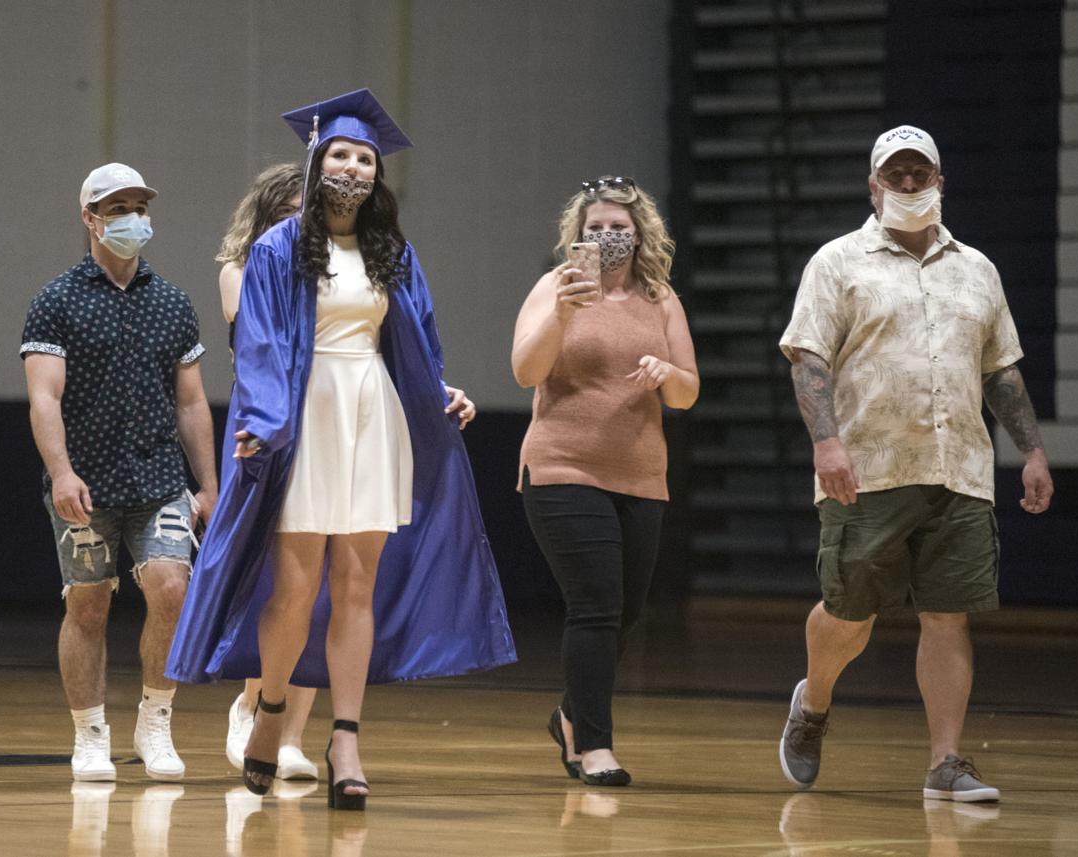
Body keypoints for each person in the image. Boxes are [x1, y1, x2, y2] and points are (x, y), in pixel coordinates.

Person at [165, 89, 516, 809]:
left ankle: (346, 736)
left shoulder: (394, 252)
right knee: (295, 588)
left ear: (376, 175)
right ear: (318, 162)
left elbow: (412, 339)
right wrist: (264, 420)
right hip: (303, 413)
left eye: (365, 158)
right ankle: (267, 715)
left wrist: (442, 390)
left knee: (357, 584)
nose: (353, 166)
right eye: (341, 155)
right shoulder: (275, 249)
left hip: (371, 412)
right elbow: (258, 343)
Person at [777, 125, 1054, 802]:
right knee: (849, 615)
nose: (907, 184)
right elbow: (809, 358)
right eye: (894, 174)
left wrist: (1033, 450)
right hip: (865, 467)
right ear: (873, 185)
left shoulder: (978, 269)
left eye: (918, 174)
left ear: (939, 182)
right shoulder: (837, 263)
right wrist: (827, 440)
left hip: (959, 467)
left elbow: (1002, 370)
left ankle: (946, 762)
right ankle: (813, 704)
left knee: (947, 612)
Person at [20, 163, 218, 782]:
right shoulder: (57, 301)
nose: (133, 216)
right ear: (90, 218)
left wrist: (209, 484)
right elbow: (45, 398)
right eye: (117, 207)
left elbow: (190, 402)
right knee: (88, 606)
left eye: (139, 205)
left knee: (172, 589)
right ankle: (89, 733)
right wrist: (60, 473)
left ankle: (156, 720)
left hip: (158, 475)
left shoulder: (172, 302)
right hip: (85, 484)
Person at [512, 176, 699, 786]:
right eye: (596, 228)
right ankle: (594, 745)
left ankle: (570, 713)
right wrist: (563, 314)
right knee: (594, 607)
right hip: (564, 466)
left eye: (619, 227)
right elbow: (524, 371)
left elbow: (687, 393)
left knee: (626, 613)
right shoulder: (554, 288)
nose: (607, 236)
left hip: (642, 473)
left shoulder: (661, 298)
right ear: (578, 235)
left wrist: (666, 368)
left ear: (640, 233)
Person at [216, 163, 318, 782]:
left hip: (329, 424)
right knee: (273, 578)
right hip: (263, 425)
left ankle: (294, 736)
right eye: (286, 213)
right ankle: (249, 707)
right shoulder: (241, 270)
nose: (297, 225)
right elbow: (260, 333)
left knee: (319, 587)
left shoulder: (339, 271)